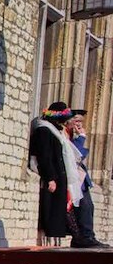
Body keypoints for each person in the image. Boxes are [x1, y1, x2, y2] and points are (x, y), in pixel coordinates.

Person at [28, 101, 83, 245]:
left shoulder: (54, 131)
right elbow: (45, 156)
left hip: (59, 177)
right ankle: (47, 241)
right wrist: (50, 178)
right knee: (49, 211)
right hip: (53, 178)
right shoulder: (44, 130)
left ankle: (64, 238)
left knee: (57, 211)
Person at [65, 109, 107, 248]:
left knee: (88, 207)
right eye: (76, 120)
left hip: (80, 179)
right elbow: (74, 155)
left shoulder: (71, 135)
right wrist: (81, 137)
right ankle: (84, 237)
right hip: (73, 178)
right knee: (83, 207)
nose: (78, 124)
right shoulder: (64, 133)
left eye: (81, 122)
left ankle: (87, 236)